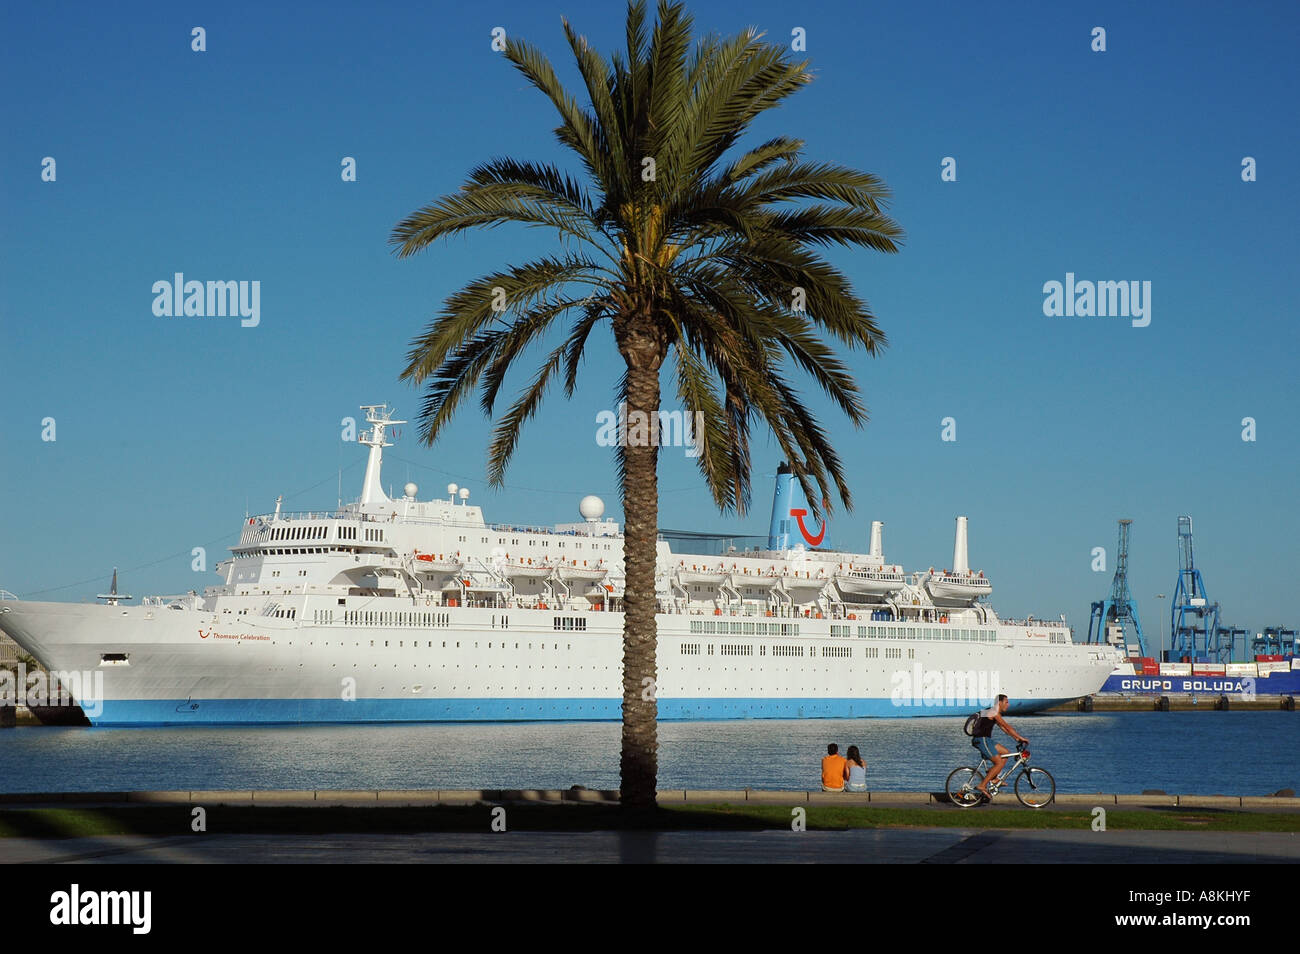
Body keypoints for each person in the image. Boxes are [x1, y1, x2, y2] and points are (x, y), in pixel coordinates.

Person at [971, 694, 1028, 801]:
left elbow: (1004, 729)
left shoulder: (991, 712)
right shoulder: (994, 712)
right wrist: (1021, 737)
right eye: (1006, 702)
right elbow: (1007, 726)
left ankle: (994, 778)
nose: (1008, 705)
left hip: (986, 740)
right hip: (981, 739)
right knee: (998, 763)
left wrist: (1016, 739)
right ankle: (982, 785)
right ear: (999, 703)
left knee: (1005, 753)